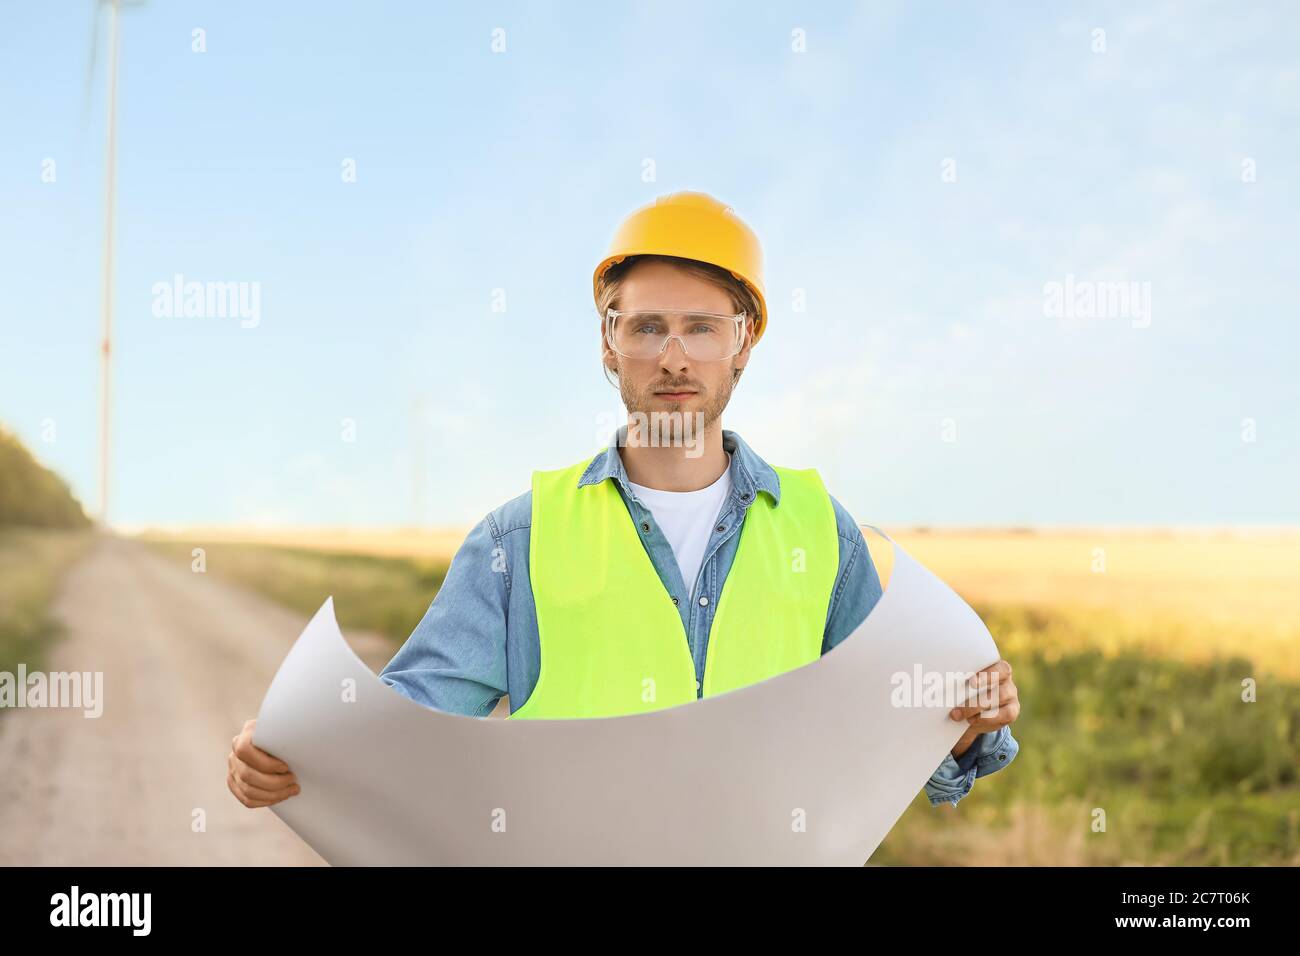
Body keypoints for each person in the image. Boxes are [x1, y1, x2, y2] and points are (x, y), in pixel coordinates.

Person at [228, 191, 1020, 814]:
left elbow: (894, 738)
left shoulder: (824, 534)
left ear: (743, 342)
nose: (673, 356)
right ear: (609, 342)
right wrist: (292, 751)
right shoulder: (520, 537)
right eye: (646, 327)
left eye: (701, 328)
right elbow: (403, 728)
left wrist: (965, 727)